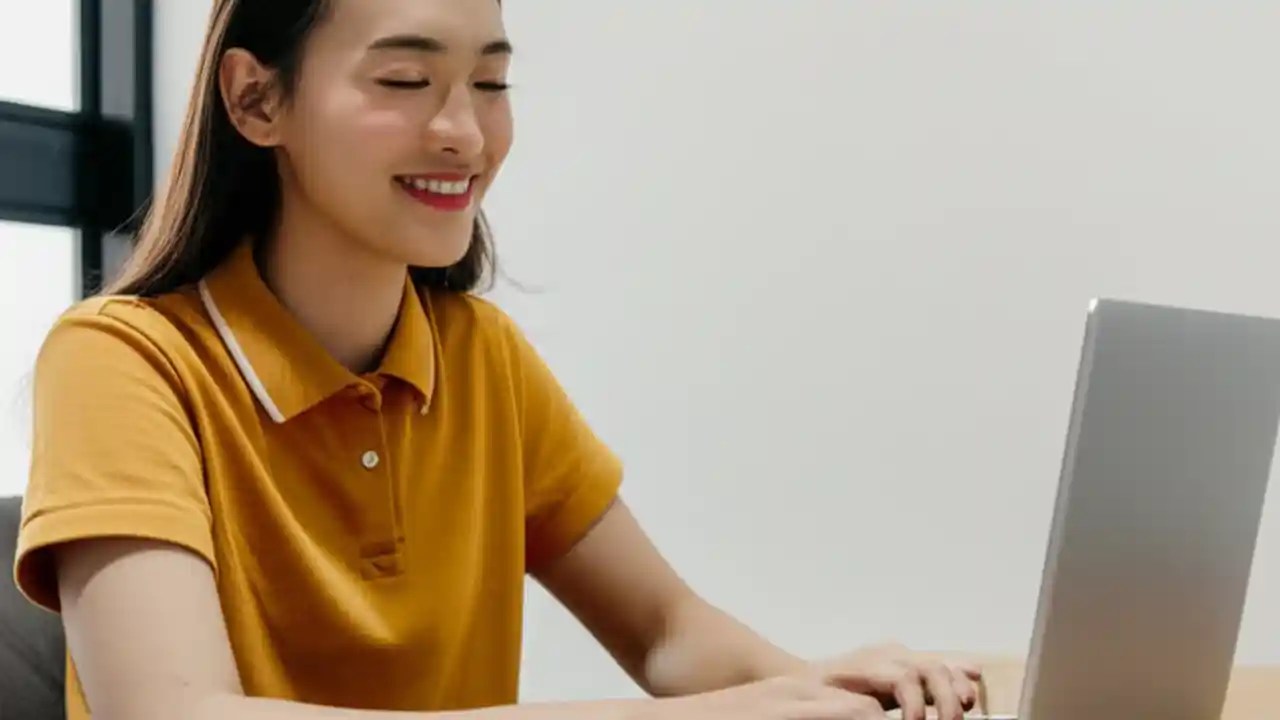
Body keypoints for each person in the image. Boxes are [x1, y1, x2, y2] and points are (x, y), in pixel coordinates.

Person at [14, 1, 983, 719]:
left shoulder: (481, 359)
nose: (464, 134)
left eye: (489, 82)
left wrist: (816, 683)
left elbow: (664, 632)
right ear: (256, 99)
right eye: (403, 82)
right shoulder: (121, 361)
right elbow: (173, 713)